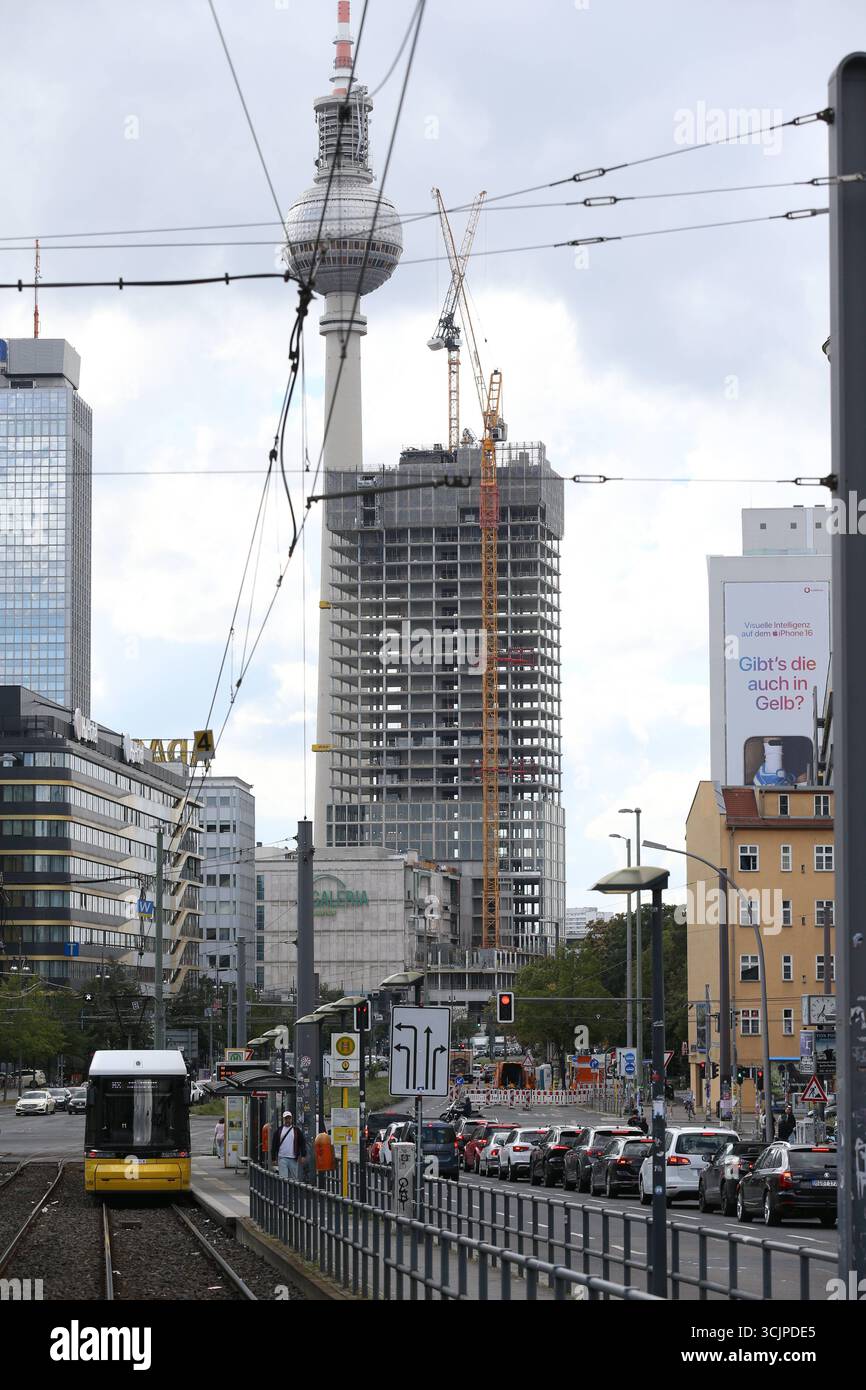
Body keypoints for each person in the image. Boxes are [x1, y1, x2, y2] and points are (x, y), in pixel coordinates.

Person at [271, 1109, 307, 1181]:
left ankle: (291, 1192)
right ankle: (285, 1192)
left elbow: (302, 1142)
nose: (287, 1120)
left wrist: (303, 1155)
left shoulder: (296, 1130)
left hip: (293, 1158)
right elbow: (274, 1144)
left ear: (291, 1119)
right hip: (282, 1157)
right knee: (284, 1179)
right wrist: (273, 1158)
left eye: (289, 1118)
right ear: (283, 1119)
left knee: (293, 1179)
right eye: (286, 1118)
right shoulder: (279, 1131)